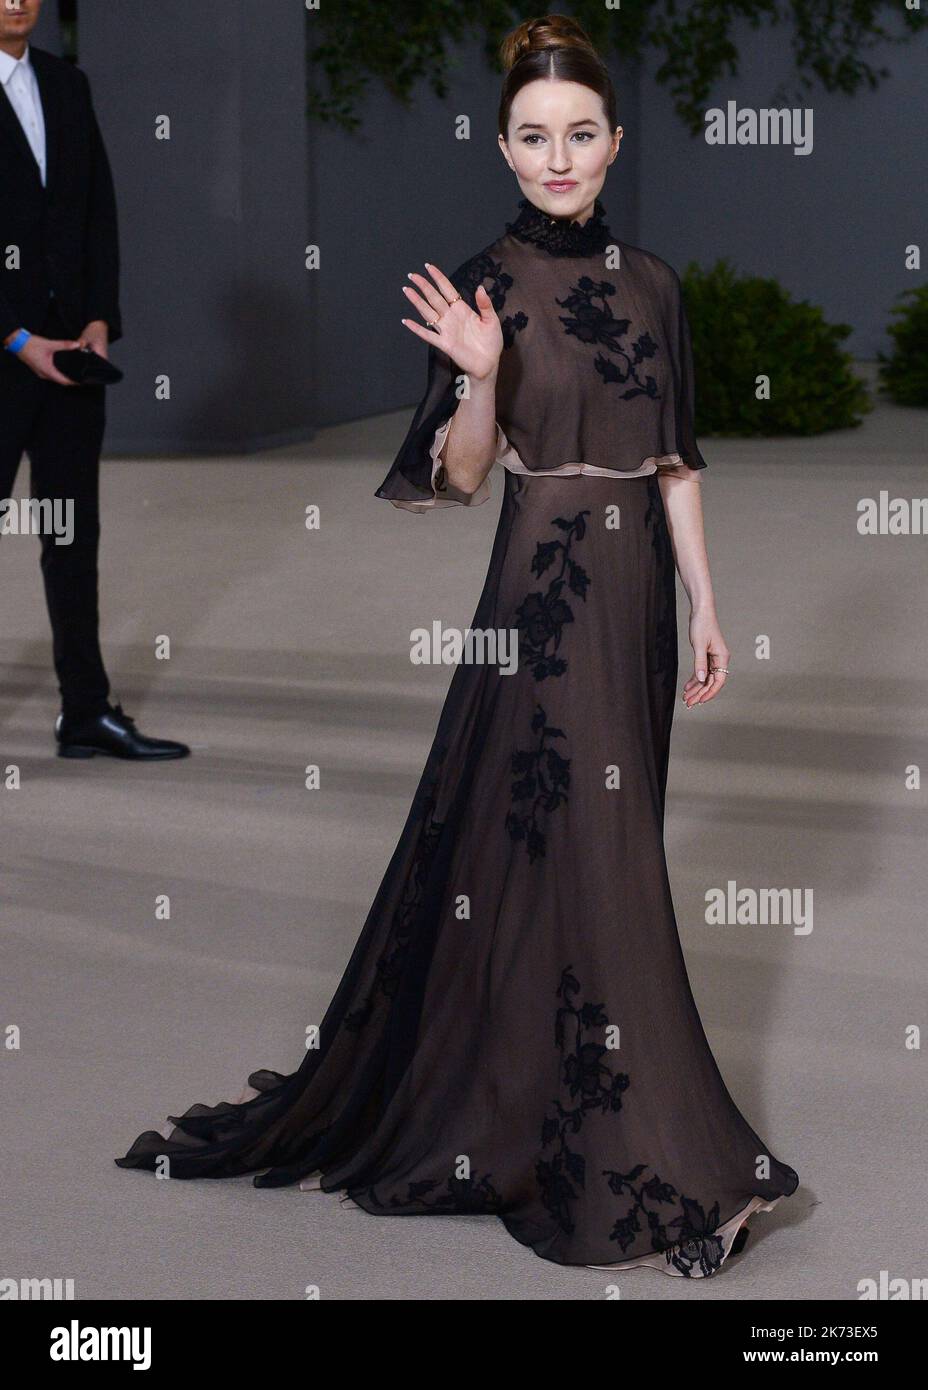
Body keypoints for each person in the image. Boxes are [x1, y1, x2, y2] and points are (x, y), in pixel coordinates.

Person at [117, 14, 798, 1275]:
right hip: (541, 602)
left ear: (613, 141)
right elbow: (462, 476)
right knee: (601, 872)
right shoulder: (479, 282)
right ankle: (676, 1177)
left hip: (639, 596)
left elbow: (674, 460)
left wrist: (707, 602)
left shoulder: (651, 282)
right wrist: (482, 375)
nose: (557, 158)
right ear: (501, 145)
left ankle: (562, 1122)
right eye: (533, 137)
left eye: (579, 135)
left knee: (595, 856)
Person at [0, 0, 188, 759]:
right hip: (6, 355)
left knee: (71, 536)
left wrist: (100, 319)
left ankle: (85, 711)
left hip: (73, 357)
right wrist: (16, 338)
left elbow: (98, 213)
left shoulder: (67, 84)